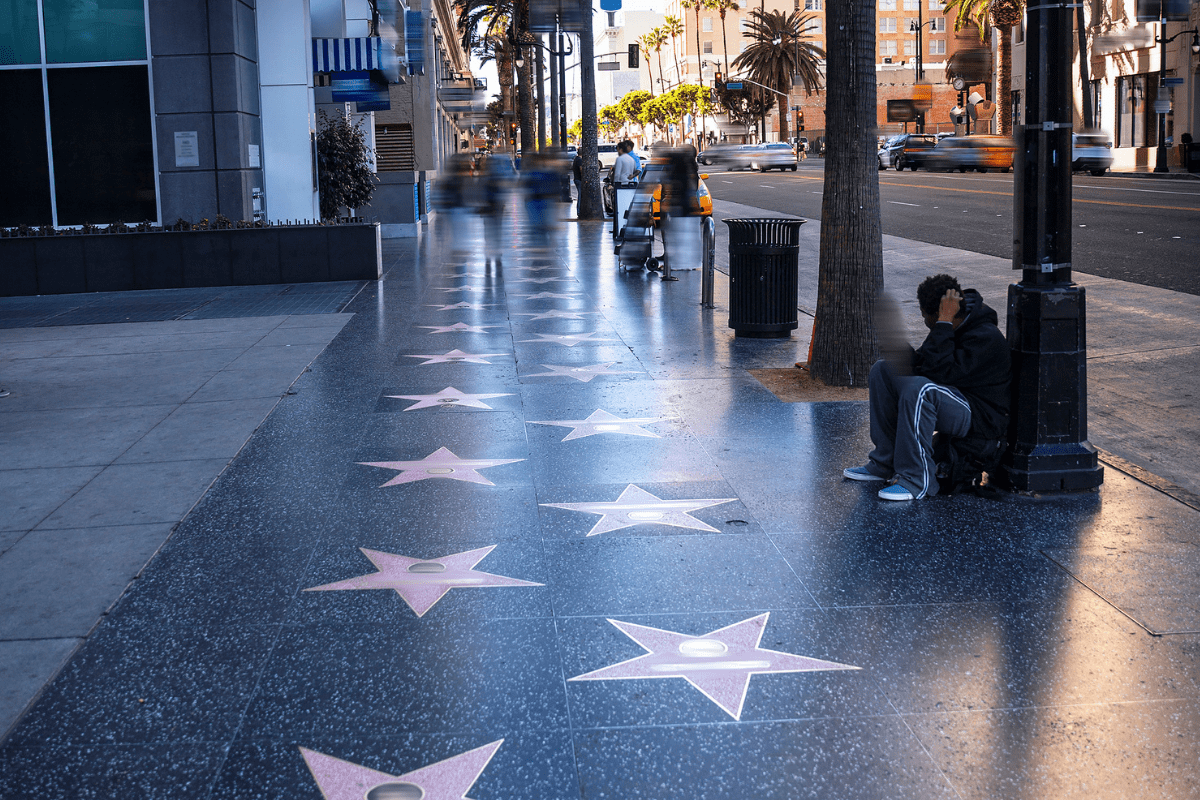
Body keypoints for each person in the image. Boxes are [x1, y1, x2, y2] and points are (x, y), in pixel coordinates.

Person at [843, 274, 1010, 501]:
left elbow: (938, 374)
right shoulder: (952, 327)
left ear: (938, 315)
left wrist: (942, 325)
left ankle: (916, 479)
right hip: (956, 398)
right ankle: (884, 463)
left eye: (924, 315)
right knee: (883, 370)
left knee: (920, 391)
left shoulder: (985, 337)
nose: (923, 320)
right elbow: (927, 363)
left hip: (981, 417)